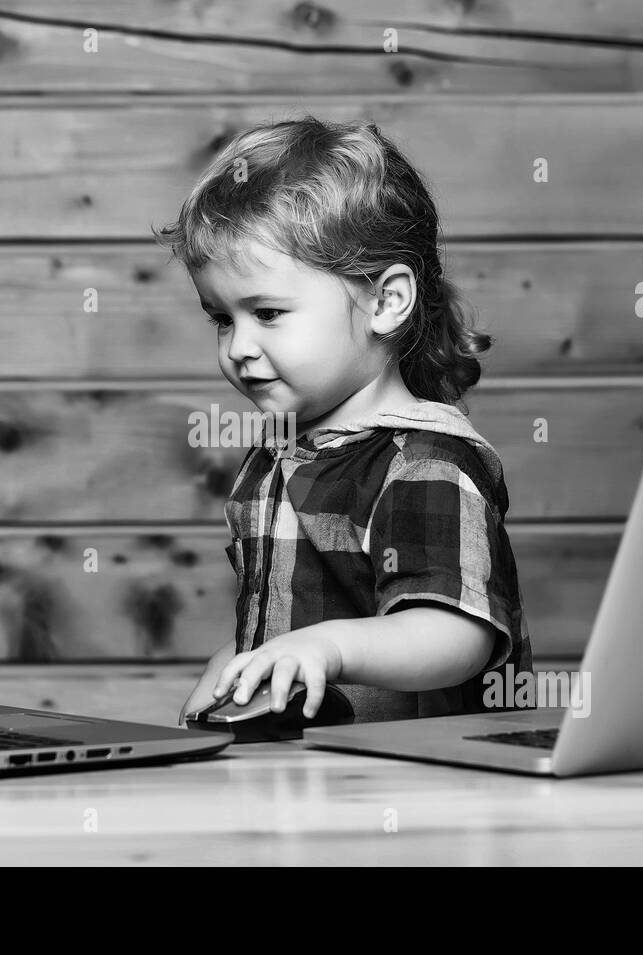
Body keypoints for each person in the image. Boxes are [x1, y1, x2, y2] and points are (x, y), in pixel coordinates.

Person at [153, 115, 534, 726]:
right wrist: (236, 666)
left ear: (385, 302)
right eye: (222, 319)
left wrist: (325, 649)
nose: (238, 347)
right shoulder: (282, 454)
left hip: (422, 784)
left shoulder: (423, 459)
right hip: (317, 778)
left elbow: (455, 635)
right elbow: (287, 620)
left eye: (268, 313)